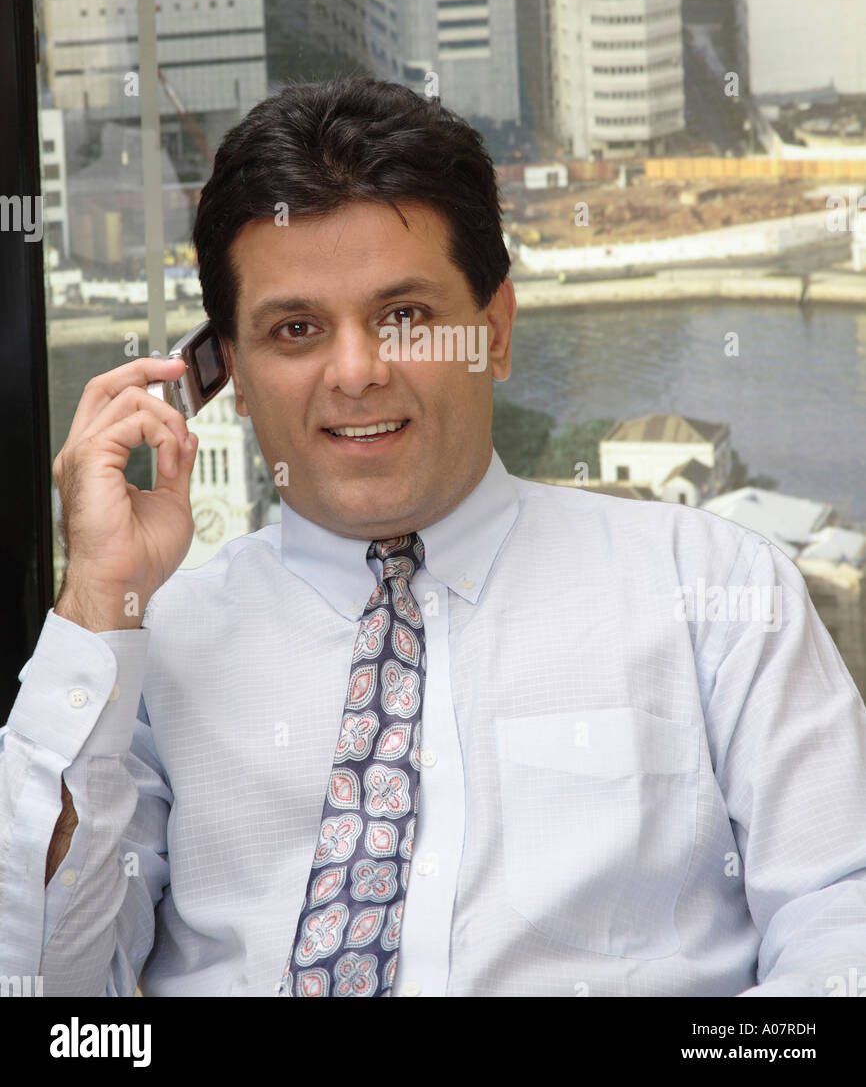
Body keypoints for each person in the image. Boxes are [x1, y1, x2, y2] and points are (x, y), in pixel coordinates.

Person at [2, 76, 866, 998]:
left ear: (494, 332)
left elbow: (840, 929)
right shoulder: (149, 650)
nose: (356, 372)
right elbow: (44, 987)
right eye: (295, 330)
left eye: (404, 317)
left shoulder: (718, 592)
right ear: (233, 378)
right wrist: (99, 601)